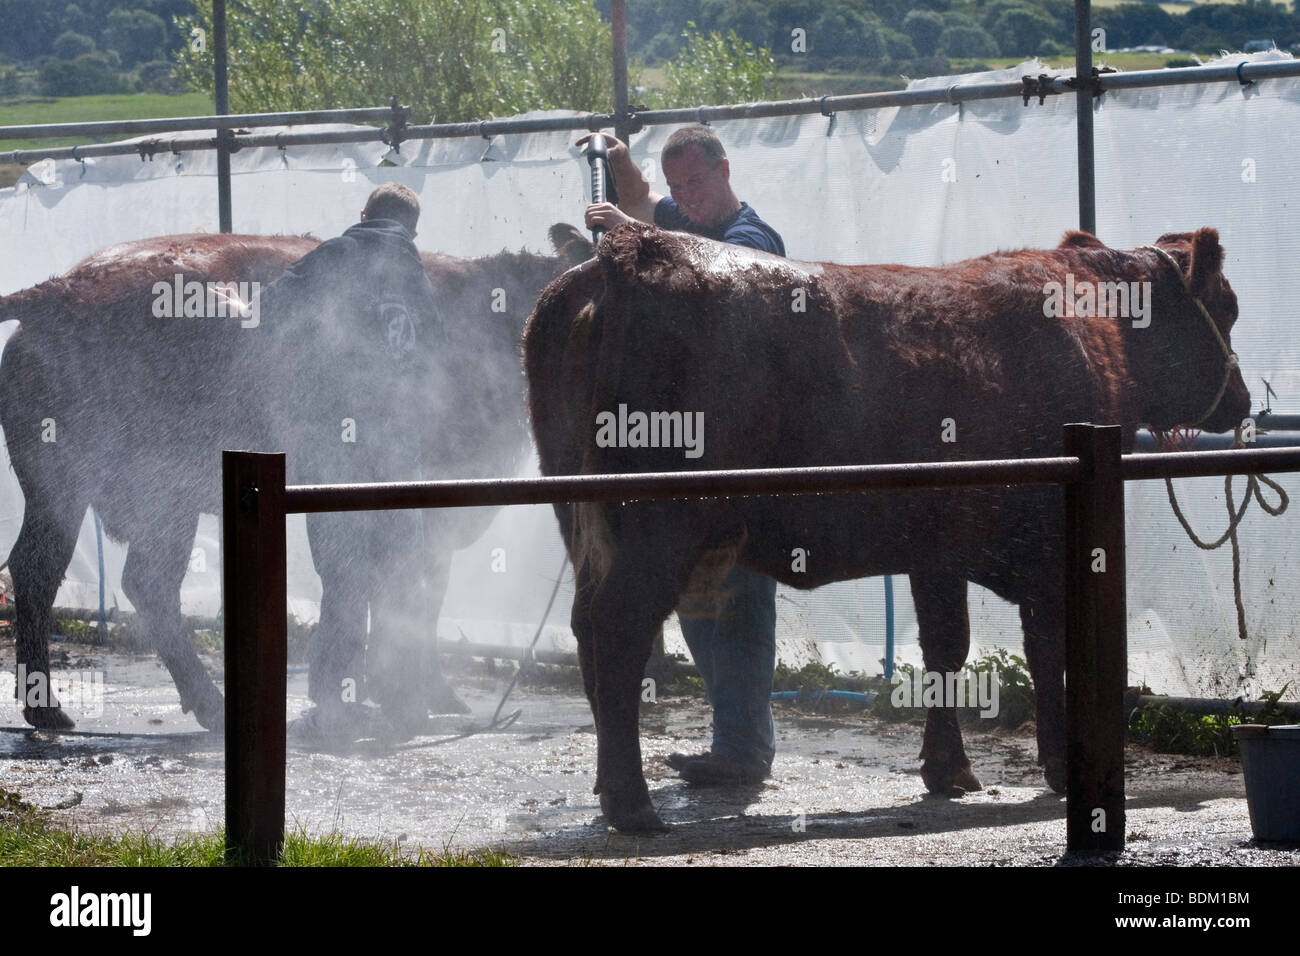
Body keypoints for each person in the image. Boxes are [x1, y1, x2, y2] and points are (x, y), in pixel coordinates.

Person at [583, 125, 785, 785]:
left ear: (725, 170)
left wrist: (640, 236)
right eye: (677, 187)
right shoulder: (682, 217)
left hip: (744, 460)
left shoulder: (753, 239)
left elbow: (706, 273)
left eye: (694, 182)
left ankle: (747, 748)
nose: (684, 197)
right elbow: (645, 203)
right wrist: (616, 156)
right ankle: (736, 745)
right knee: (702, 602)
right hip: (702, 458)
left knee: (741, 600)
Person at [258, 182, 458, 741]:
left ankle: (337, 711)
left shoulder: (341, 252)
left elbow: (270, 310)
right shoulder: (417, 277)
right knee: (400, 578)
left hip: (336, 444)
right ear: (412, 229)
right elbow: (436, 361)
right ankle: (404, 708)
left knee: (345, 579)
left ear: (364, 213)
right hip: (398, 450)